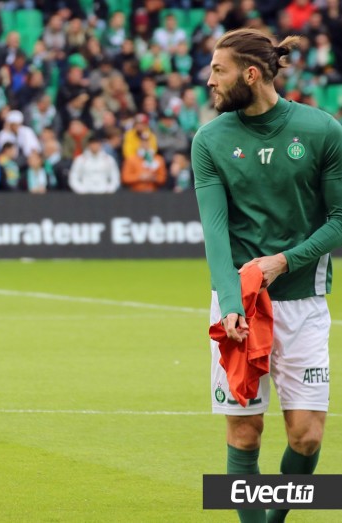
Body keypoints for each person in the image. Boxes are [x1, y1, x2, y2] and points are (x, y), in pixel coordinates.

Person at [192, 29, 342, 523]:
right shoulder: (209, 140)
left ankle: (273, 517)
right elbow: (215, 232)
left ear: (250, 75)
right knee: (244, 433)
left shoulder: (322, 130)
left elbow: (339, 219)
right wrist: (231, 300)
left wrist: (286, 261)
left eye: (219, 70)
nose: (209, 80)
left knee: (307, 436)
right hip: (239, 304)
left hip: (303, 301)